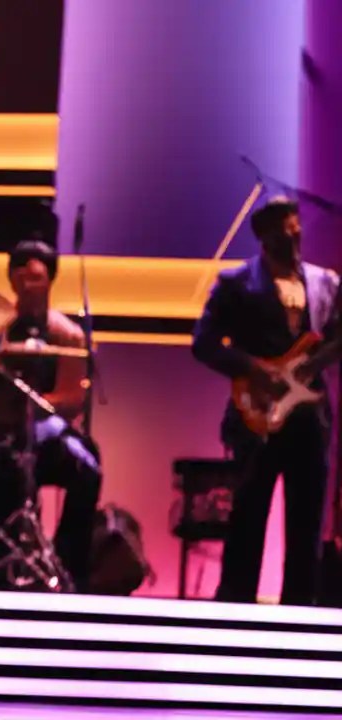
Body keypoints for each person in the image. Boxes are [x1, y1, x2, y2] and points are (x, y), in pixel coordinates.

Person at [193, 197, 341, 605]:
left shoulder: (325, 283)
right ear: (262, 237)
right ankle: (235, 617)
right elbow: (203, 344)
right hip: (254, 416)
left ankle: (300, 618)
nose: (293, 236)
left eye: (296, 229)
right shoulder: (236, 283)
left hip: (310, 418)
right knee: (247, 519)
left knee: (306, 525)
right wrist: (257, 370)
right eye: (282, 231)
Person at [0, 240, 104, 592]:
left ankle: (69, 565)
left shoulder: (67, 333)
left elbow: (73, 397)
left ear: (50, 281)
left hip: (42, 431)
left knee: (88, 465)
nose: (28, 285)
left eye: (36, 277)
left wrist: (30, 407)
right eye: (21, 278)